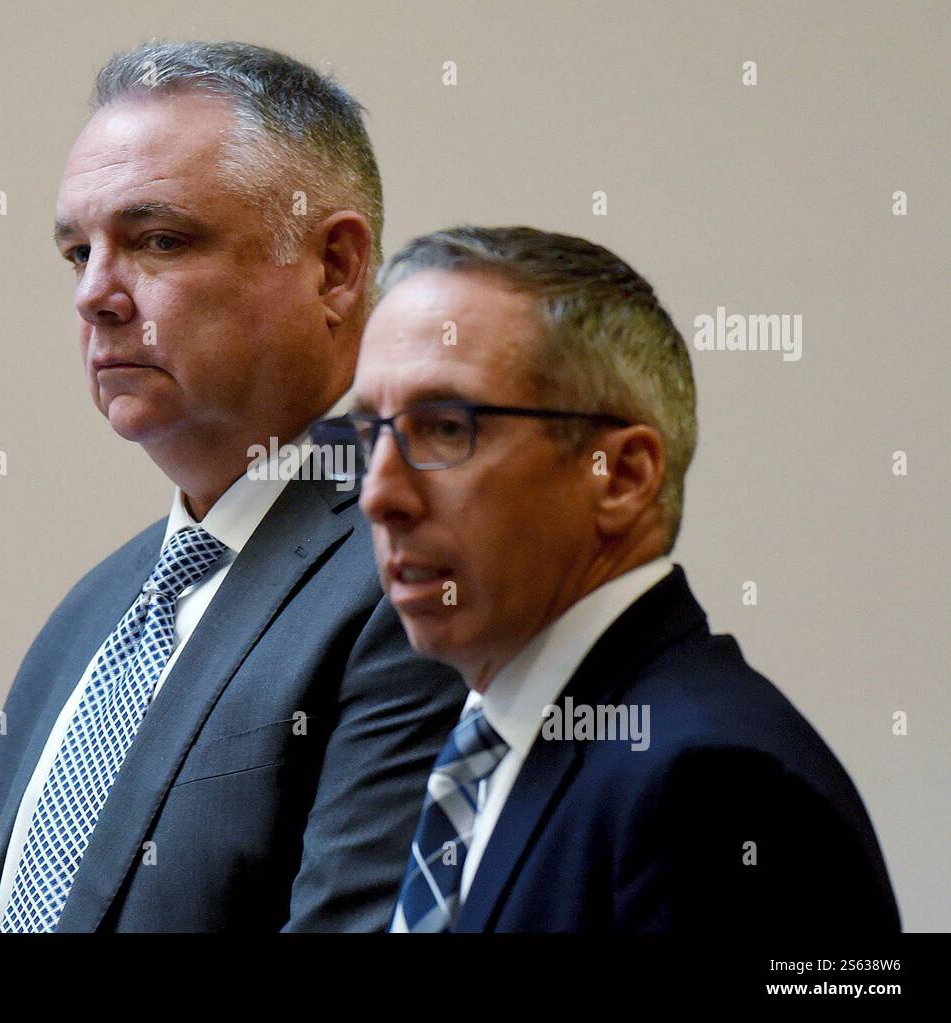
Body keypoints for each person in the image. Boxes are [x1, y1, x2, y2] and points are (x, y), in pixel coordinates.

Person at [0, 41, 467, 933]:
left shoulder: (417, 568)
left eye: (156, 240)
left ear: (335, 267)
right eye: (78, 252)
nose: (96, 296)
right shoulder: (91, 618)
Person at [312, 225, 901, 932]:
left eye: (445, 428)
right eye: (370, 432)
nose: (379, 495)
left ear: (621, 476)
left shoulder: (714, 786)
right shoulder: (492, 745)